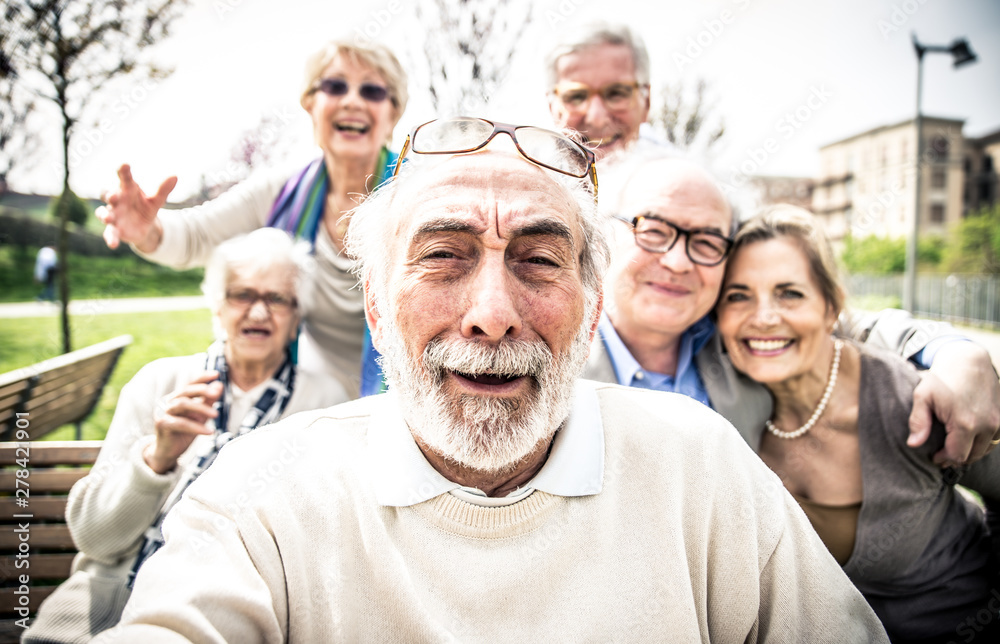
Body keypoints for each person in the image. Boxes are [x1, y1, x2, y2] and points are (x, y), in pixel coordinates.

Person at [95, 118, 889, 643]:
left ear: (590, 310)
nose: (492, 314)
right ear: (375, 305)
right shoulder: (259, 497)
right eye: (444, 255)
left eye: (541, 261)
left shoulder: (701, 466)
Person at [23, 228, 349, 643]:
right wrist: (155, 460)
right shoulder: (158, 383)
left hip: (232, 616)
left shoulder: (324, 400)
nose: (258, 312)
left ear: (296, 316)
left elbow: (318, 545)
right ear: (217, 306)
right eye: (242, 295)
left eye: (277, 299)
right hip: (104, 610)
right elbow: (96, 539)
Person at [583, 155, 1000, 467]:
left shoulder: (735, 339)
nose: (678, 261)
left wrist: (957, 353)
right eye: (653, 231)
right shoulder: (554, 356)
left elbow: (849, 326)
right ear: (605, 232)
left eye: (708, 242)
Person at [714, 205, 1000, 643]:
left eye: (789, 293)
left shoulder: (909, 399)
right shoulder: (723, 411)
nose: (764, 316)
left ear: (832, 309)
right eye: (738, 296)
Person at [95, 40, 409, 398]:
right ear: (310, 105)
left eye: (371, 91)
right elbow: (196, 235)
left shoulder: (423, 192)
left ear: (393, 115)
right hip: (317, 403)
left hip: (409, 402)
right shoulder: (282, 190)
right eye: (335, 86)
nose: (352, 101)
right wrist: (148, 230)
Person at [545, 21, 666, 162]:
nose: (597, 120)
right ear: (551, 107)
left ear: (646, 103)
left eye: (616, 94)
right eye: (576, 97)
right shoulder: (526, 174)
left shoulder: (682, 180)